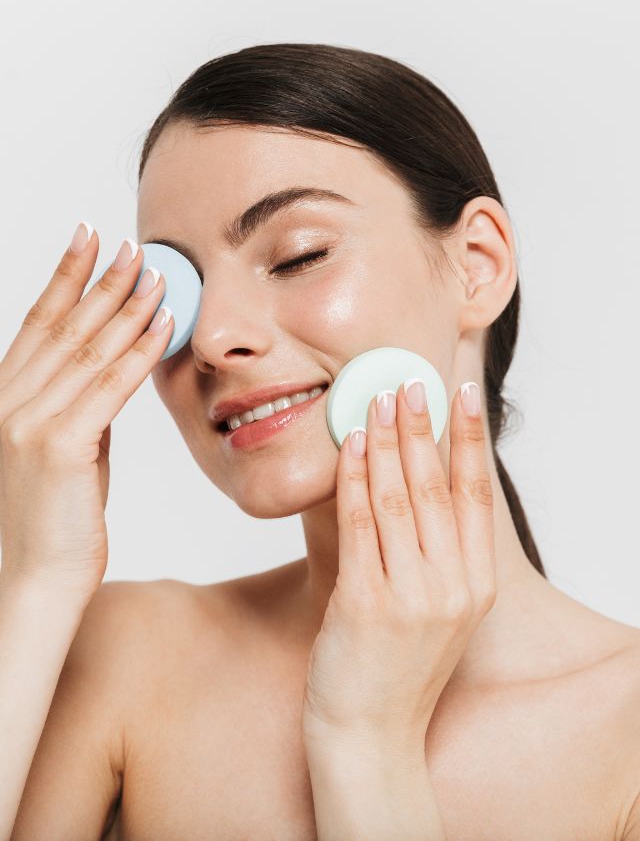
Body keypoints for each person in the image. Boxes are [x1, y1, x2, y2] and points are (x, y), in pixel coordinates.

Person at [3, 43, 640, 840]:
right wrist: (34, 578)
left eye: (299, 255)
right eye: (178, 294)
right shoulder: (125, 658)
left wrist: (364, 742)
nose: (215, 338)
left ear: (477, 266)